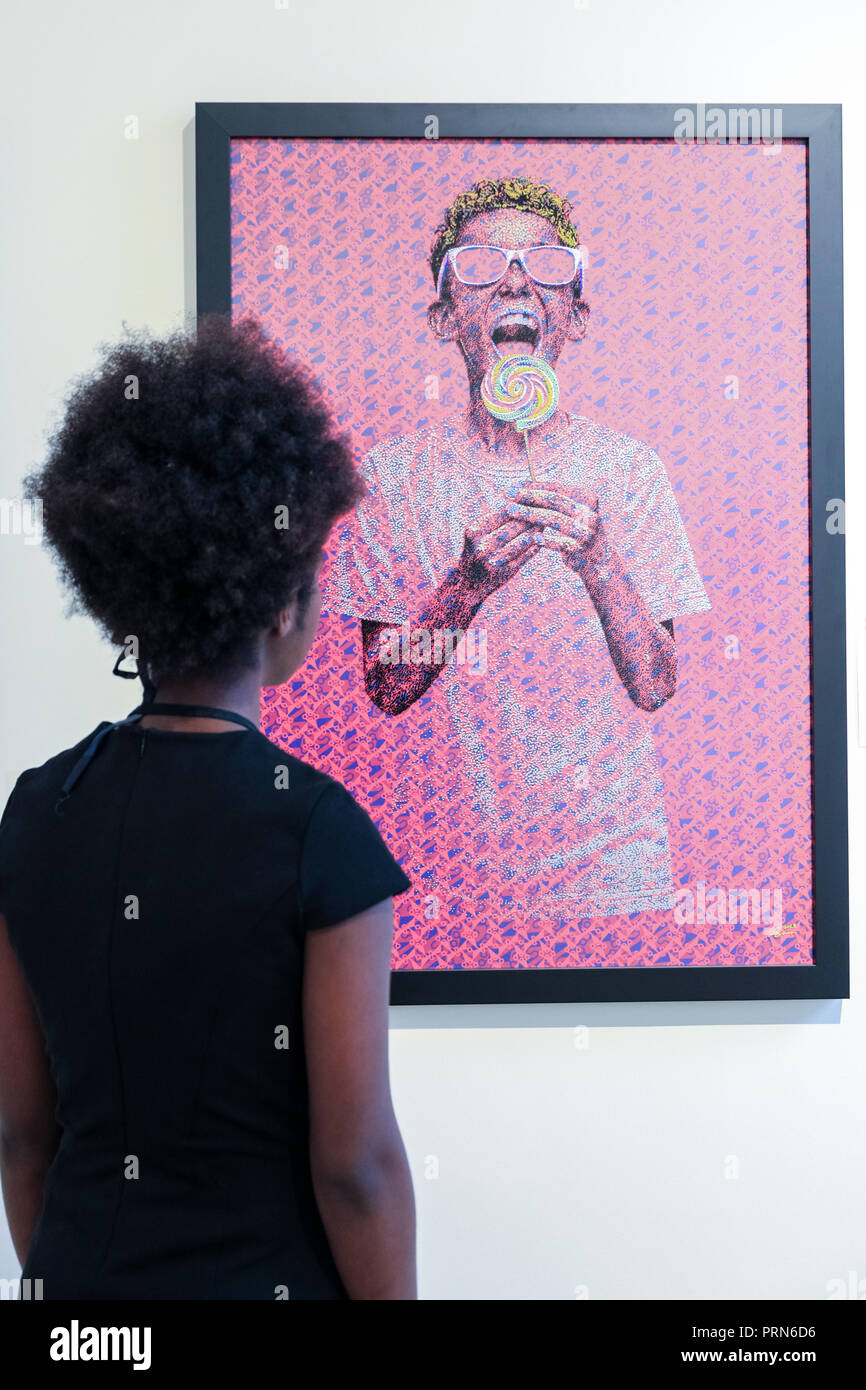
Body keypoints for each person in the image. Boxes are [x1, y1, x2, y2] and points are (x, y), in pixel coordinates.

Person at [0, 315, 417, 1300]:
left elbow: (22, 1131)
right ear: (283, 600)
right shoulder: (320, 832)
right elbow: (354, 1167)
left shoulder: (33, 813)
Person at [322, 176, 711, 955]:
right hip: (447, 869)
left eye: (545, 264)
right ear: (443, 319)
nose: (514, 278)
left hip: (612, 865)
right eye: (479, 265)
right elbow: (388, 689)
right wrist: (465, 587)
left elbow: (655, 683)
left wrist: (598, 561)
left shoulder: (629, 470)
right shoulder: (394, 477)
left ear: (576, 317)